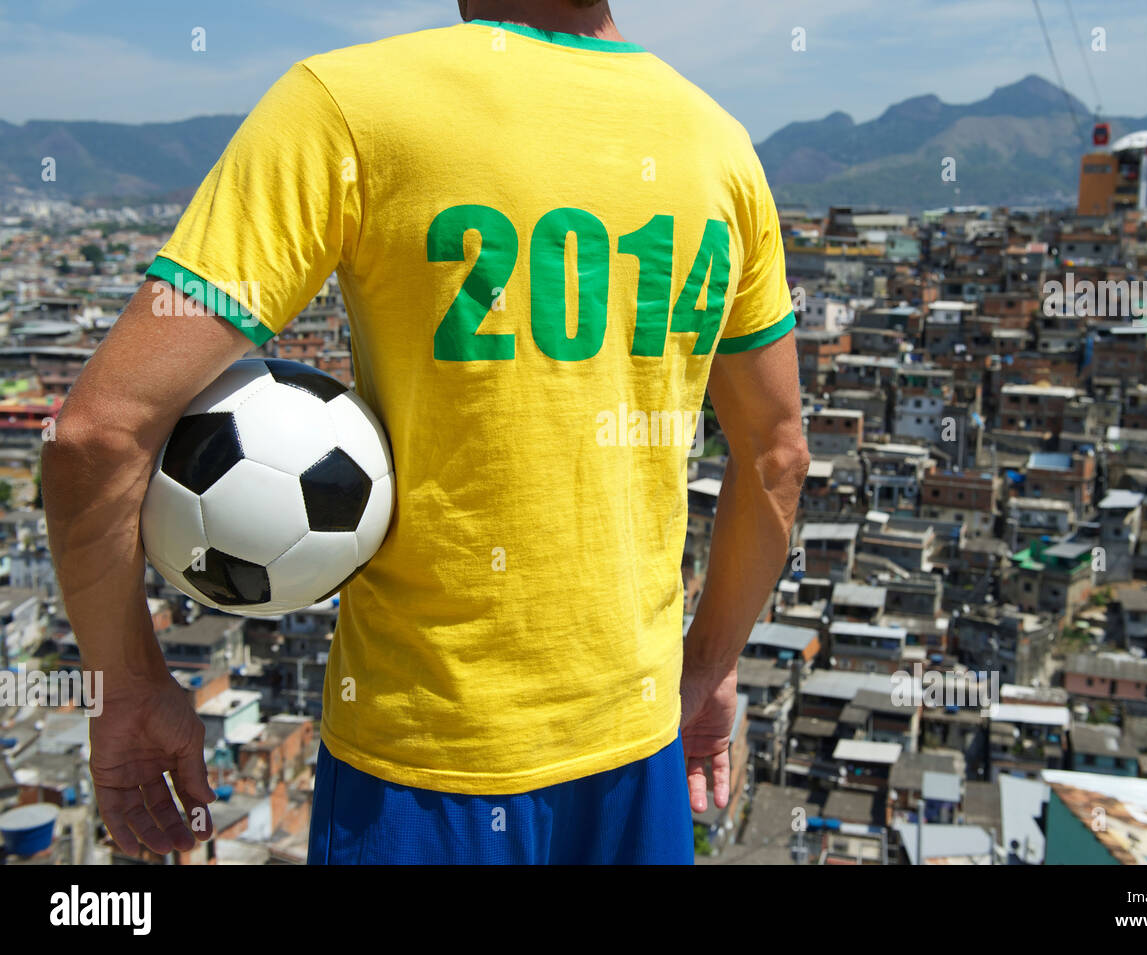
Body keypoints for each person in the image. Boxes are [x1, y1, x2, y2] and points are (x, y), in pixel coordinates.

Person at [42, 0, 808, 865]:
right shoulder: (718, 146)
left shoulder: (347, 104)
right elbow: (777, 454)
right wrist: (707, 665)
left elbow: (97, 433)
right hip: (636, 749)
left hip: (416, 766)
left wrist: (130, 683)